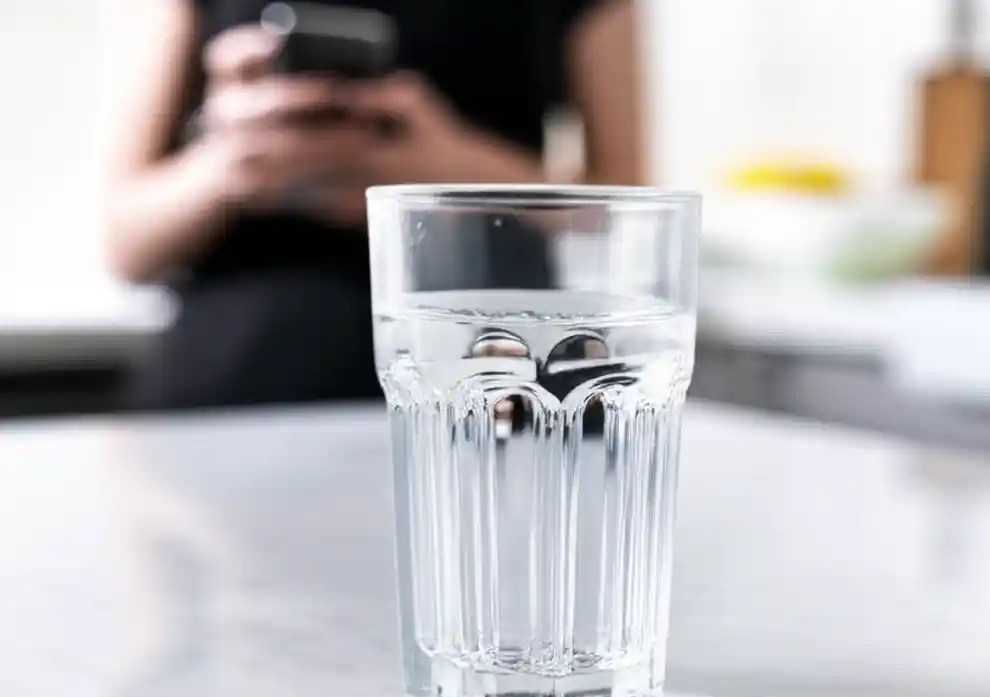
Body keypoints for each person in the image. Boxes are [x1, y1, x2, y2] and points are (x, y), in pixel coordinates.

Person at [105, 0, 642, 408]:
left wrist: (450, 167)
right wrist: (230, 163)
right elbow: (126, 244)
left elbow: (626, 204)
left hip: (483, 385)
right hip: (230, 392)